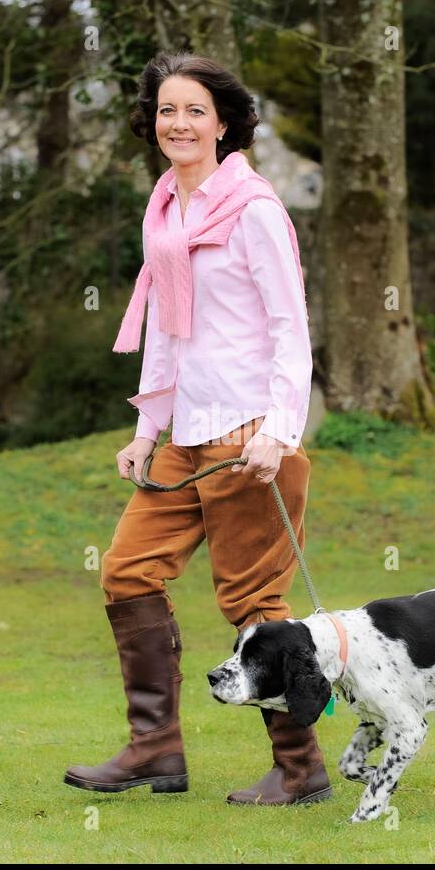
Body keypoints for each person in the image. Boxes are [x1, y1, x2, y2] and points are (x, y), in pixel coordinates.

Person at [62, 51, 331, 806]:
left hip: (249, 435)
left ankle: (301, 768)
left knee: (254, 602)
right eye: (166, 110)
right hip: (184, 437)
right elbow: (168, 333)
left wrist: (279, 430)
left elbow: (290, 328)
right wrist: (147, 428)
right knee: (126, 570)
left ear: (224, 123)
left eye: (194, 111)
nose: (178, 123)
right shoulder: (166, 209)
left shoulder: (253, 210)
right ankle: (155, 749)